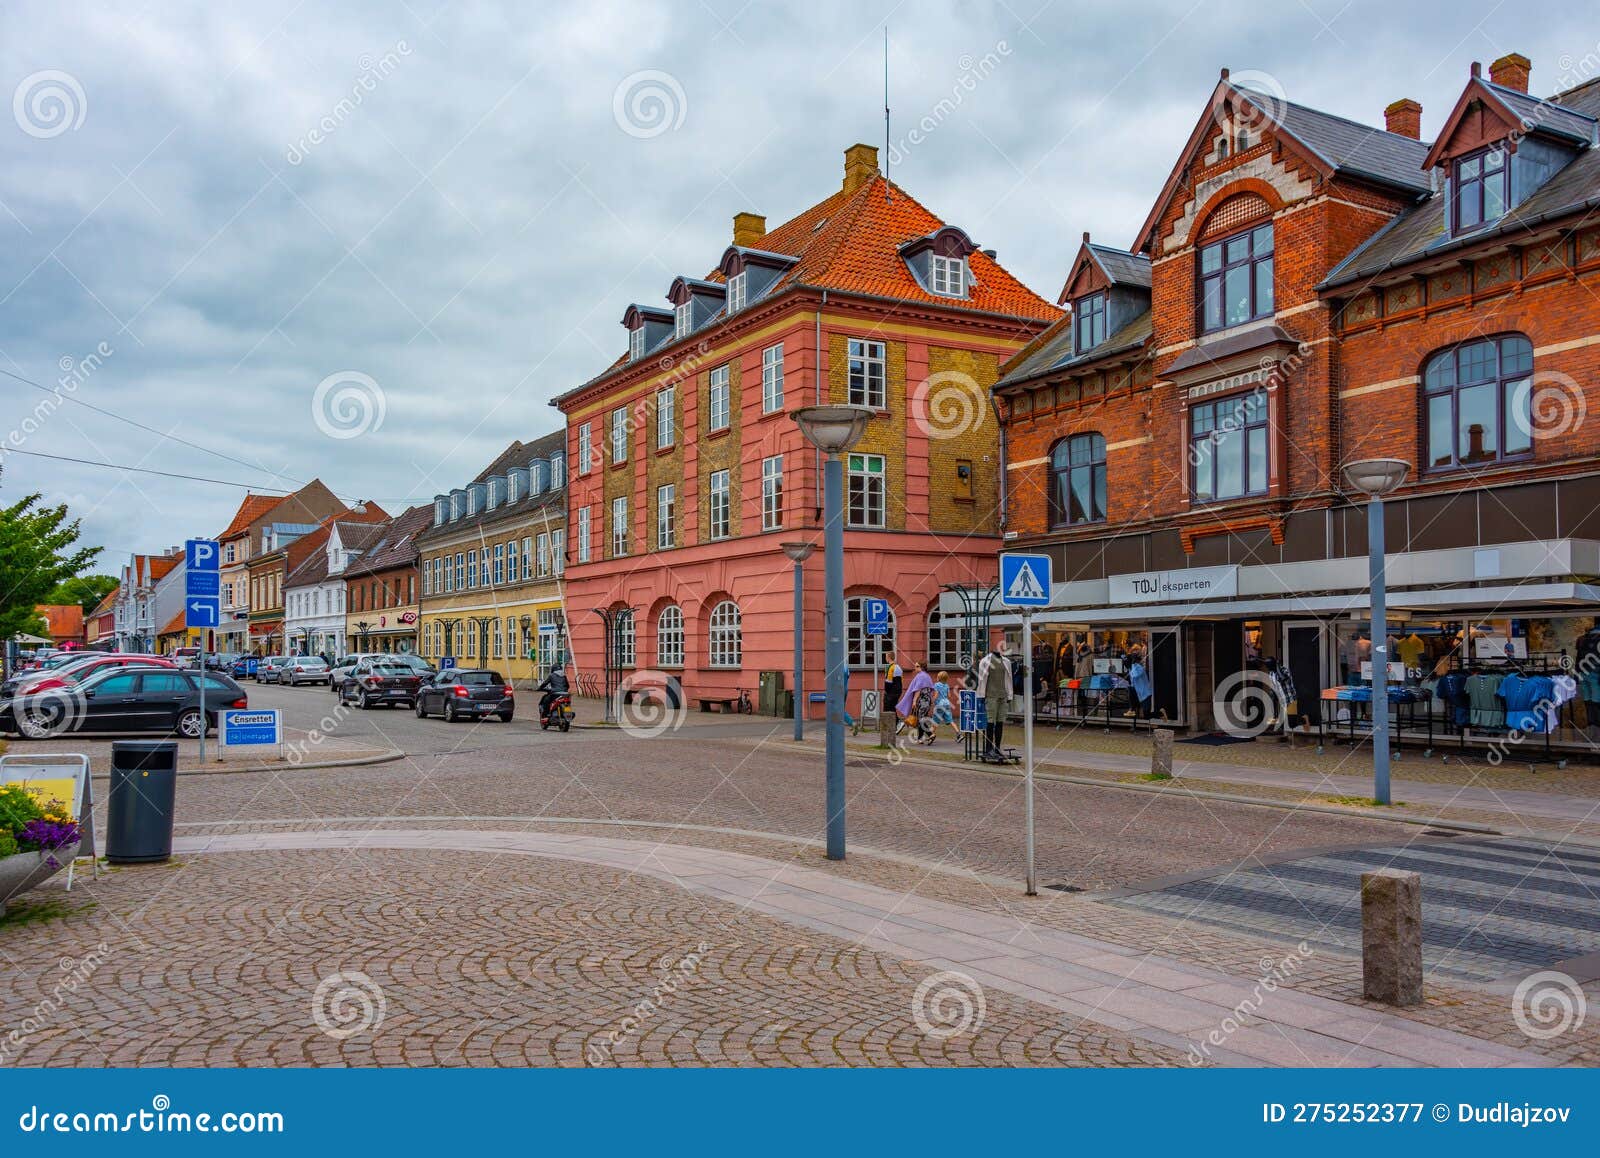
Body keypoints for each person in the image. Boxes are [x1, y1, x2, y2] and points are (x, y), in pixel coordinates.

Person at [977, 643, 1012, 759]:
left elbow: (1009, 679)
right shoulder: (985, 661)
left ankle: (997, 747)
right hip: (990, 695)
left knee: (1000, 722)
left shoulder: (1006, 662)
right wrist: (981, 695)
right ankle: (988, 748)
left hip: (1003, 695)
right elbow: (981, 680)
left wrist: (1009, 695)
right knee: (990, 722)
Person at [895, 663, 933, 736]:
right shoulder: (927, 676)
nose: (915, 668)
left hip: (922, 701)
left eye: (917, 666)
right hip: (927, 701)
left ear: (922, 667)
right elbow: (930, 689)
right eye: (915, 666)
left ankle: (930, 734)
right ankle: (921, 738)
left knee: (921, 719)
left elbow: (918, 689)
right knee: (921, 719)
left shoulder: (921, 676)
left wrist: (914, 701)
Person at [931, 670, 956, 738]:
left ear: (938, 678)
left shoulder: (936, 685)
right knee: (950, 720)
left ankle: (931, 734)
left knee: (935, 720)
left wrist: (932, 701)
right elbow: (949, 695)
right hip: (947, 704)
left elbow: (936, 695)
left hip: (939, 705)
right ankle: (958, 733)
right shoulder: (947, 685)